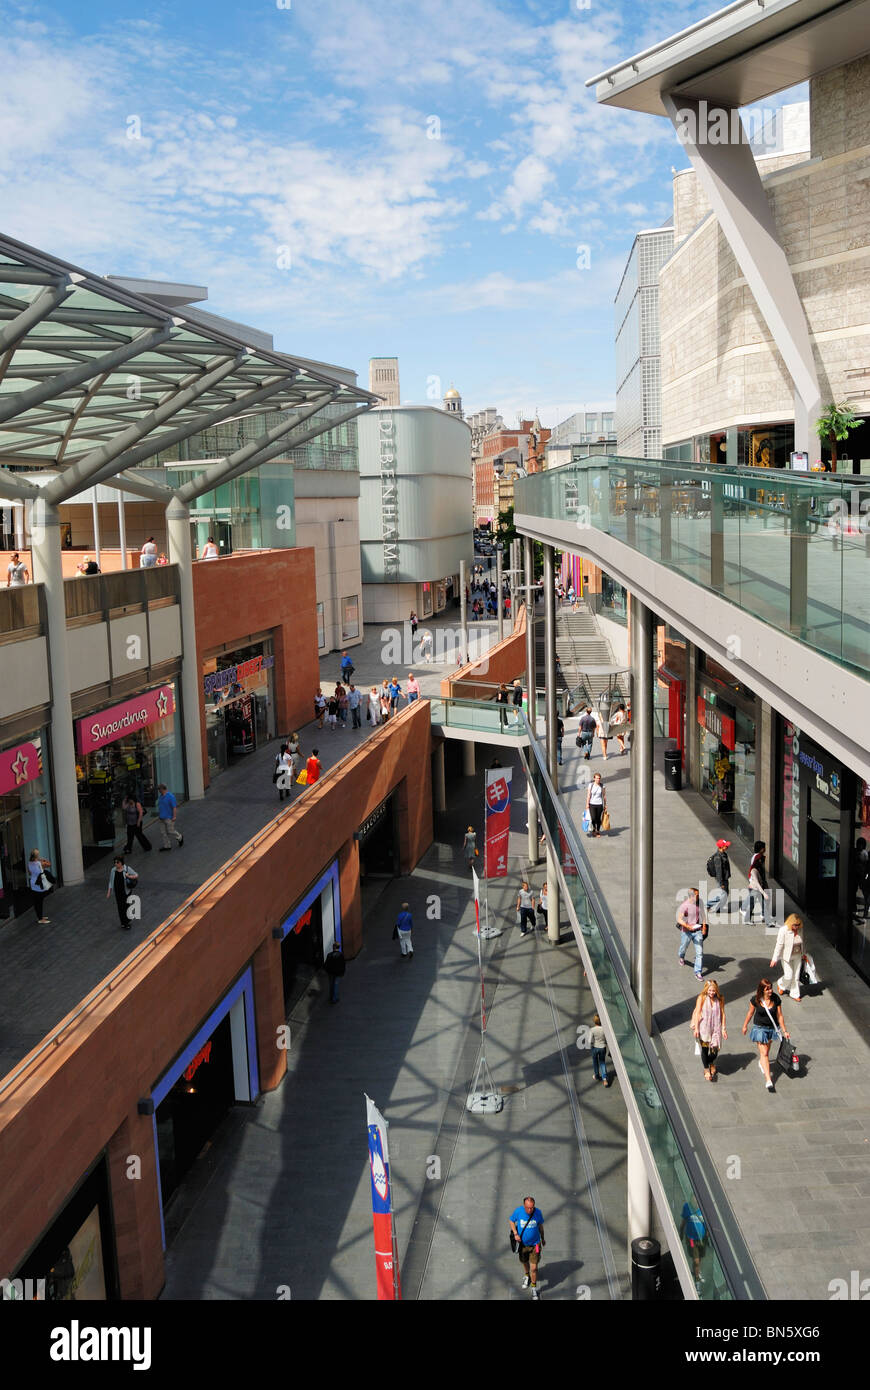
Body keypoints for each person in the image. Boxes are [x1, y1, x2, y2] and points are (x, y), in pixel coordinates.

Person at [742, 978, 790, 1092]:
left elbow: (780, 1016)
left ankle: (762, 1063)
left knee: (766, 1052)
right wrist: (745, 1025)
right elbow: (750, 1012)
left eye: (770, 988)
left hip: (772, 1029)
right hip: (759, 1029)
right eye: (767, 989)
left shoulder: (776, 998)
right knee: (764, 1053)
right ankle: (769, 1080)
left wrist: (784, 1030)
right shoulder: (755, 1000)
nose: (770, 991)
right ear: (762, 990)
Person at [509, 1196, 545, 1299]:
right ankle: (526, 1275)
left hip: (535, 1245)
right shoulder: (518, 1211)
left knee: (534, 1268)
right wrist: (515, 1233)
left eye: (532, 1207)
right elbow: (511, 1221)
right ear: (524, 1206)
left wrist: (543, 1238)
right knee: (524, 1261)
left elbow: (540, 1226)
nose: (530, 1210)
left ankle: (533, 1288)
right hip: (522, 1245)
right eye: (528, 1208)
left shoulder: (538, 1212)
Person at [691, 980, 727, 1081]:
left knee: (715, 1051)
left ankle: (710, 1062)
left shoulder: (720, 999)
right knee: (705, 1050)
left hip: (716, 1028)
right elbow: (698, 1013)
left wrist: (723, 1028)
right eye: (710, 990)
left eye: (714, 991)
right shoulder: (701, 998)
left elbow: (723, 1013)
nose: (712, 993)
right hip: (704, 1028)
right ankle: (706, 1069)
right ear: (706, 990)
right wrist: (697, 1028)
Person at [770, 913, 805, 1002]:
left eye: (798, 925)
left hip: (797, 955)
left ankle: (795, 994)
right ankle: (781, 984)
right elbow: (779, 945)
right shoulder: (783, 930)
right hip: (786, 956)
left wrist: (804, 953)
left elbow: (802, 942)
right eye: (795, 925)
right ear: (790, 923)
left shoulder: (800, 929)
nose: (796, 927)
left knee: (796, 976)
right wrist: (775, 958)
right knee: (788, 975)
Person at [677, 886, 707, 980]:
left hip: (697, 930)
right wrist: (687, 926)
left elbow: (703, 915)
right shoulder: (684, 906)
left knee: (699, 952)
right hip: (686, 931)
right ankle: (681, 956)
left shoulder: (700, 902)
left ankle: (698, 972)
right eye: (696, 895)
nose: (698, 897)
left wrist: (704, 926)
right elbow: (679, 919)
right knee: (683, 947)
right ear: (691, 896)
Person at [680, 1200, 708, 1292]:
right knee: (696, 1261)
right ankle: (697, 1283)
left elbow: (707, 1224)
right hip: (691, 1239)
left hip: (702, 1239)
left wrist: (707, 1237)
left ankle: (696, 1271)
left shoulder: (704, 1208)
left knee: (699, 1259)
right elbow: (683, 1222)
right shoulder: (687, 1207)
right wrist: (681, 1234)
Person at [742, 841, 772, 923]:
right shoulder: (758, 858)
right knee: (759, 898)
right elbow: (755, 870)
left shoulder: (758, 857)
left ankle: (762, 914)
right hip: (756, 882)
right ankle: (762, 914)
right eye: (764, 847)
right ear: (761, 849)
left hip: (757, 881)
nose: (765, 849)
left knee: (756, 898)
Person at [106, 855, 138, 930]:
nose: (116, 864)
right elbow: (110, 881)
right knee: (120, 907)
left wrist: (129, 876)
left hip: (126, 891)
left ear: (121, 863)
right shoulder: (113, 870)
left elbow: (136, 875)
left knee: (126, 906)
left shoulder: (127, 869)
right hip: (117, 892)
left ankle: (127, 922)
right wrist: (109, 892)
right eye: (115, 862)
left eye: (117, 862)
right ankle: (123, 923)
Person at [706, 838, 731, 914]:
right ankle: (708, 904)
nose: (727, 846)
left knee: (725, 893)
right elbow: (719, 871)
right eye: (725, 846)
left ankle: (719, 908)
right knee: (721, 895)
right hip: (722, 879)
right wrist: (721, 883)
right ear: (721, 847)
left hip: (725, 878)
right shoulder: (718, 857)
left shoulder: (724, 854)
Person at [28, 848, 52, 923]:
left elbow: (30, 873)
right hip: (39, 884)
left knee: (37, 901)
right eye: (38, 854)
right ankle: (40, 919)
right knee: (39, 902)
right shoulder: (38, 863)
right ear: (36, 856)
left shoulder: (29, 863)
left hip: (33, 883)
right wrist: (43, 860)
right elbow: (49, 864)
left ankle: (40, 916)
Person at [156, 783, 183, 850]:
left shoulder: (171, 796)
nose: (159, 791)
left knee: (170, 831)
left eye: (159, 789)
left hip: (168, 818)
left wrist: (174, 816)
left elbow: (174, 807)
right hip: (161, 818)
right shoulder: (161, 797)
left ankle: (179, 837)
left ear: (163, 789)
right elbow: (160, 806)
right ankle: (167, 846)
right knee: (163, 833)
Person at [852, 837, 870, 922]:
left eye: (861, 844)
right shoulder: (858, 852)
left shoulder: (864, 853)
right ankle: (862, 911)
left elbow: (867, 865)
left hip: (862, 876)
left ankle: (865, 914)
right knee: (861, 893)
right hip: (858, 876)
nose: (859, 846)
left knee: (866, 894)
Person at [585, 771, 606, 837]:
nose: (598, 779)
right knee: (593, 818)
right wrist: (587, 804)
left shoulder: (602, 786)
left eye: (599, 778)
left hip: (599, 804)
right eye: (596, 778)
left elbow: (604, 796)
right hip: (592, 804)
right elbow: (588, 795)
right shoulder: (591, 785)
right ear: (594, 778)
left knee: (598, 819)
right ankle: (594, 829)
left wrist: (605, 805)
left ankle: (598, 831)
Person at [589, 1013, 608, 1086]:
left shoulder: (592, 1030)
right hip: (602, 1047)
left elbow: (590, 1041)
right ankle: (605, 1079)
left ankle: (597, 1075)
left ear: (595, 1021)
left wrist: (593, 1045)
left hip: (595, 1047)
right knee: (602, 1062)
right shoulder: (604, 1029)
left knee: (595, 1061)